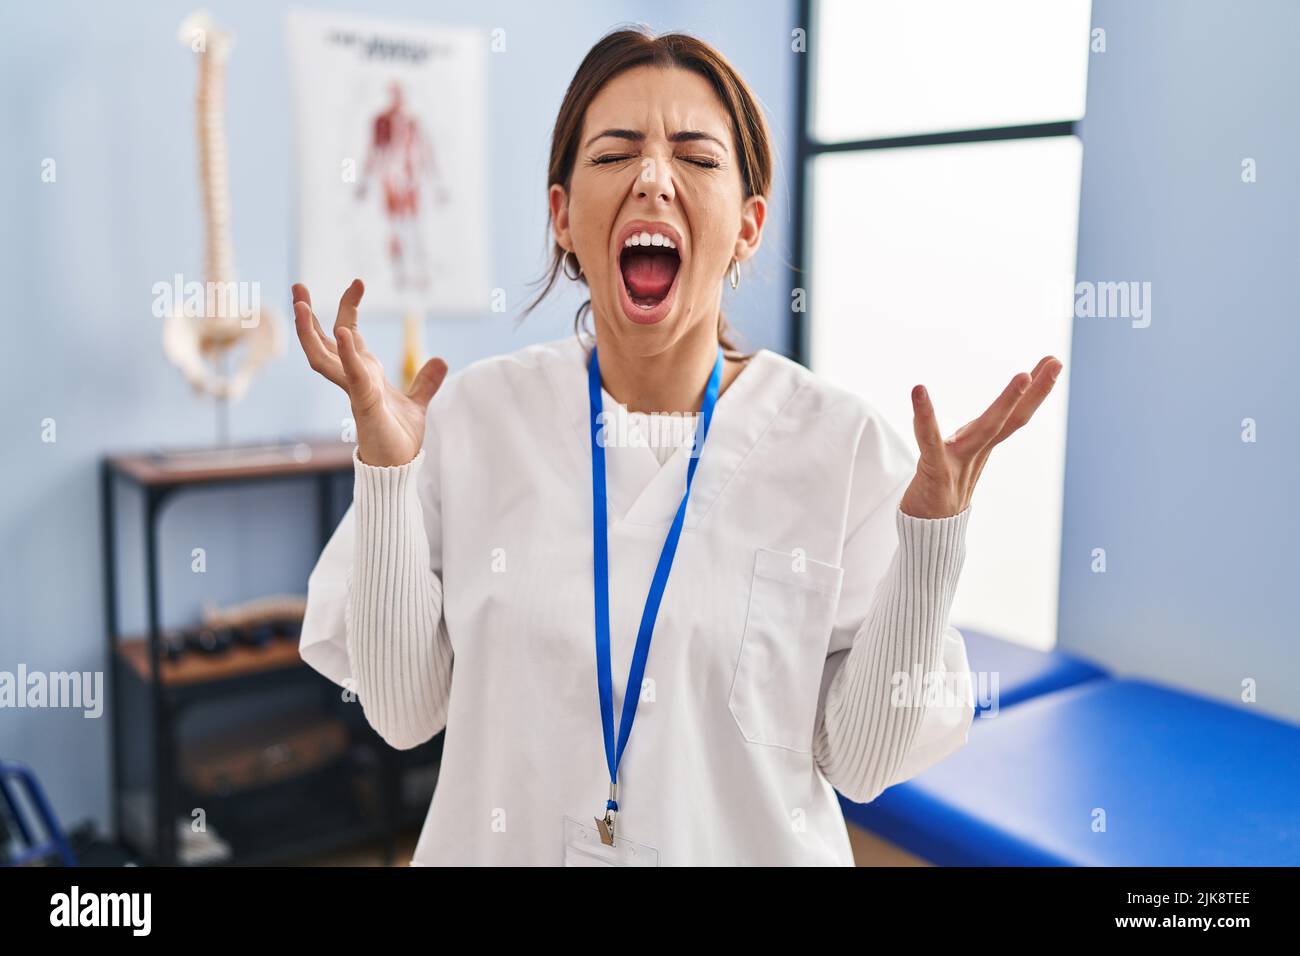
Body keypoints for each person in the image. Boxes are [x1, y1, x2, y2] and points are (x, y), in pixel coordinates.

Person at [293, 27, 1062, 866]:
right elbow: (404, 714)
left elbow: (864, 762)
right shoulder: (473, 418)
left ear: (747, 226)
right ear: (562, 217)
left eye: (696, 159)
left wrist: (932, 539)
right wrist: (389, 476)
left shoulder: (842, 448)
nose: (654, 179)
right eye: (617, 153)